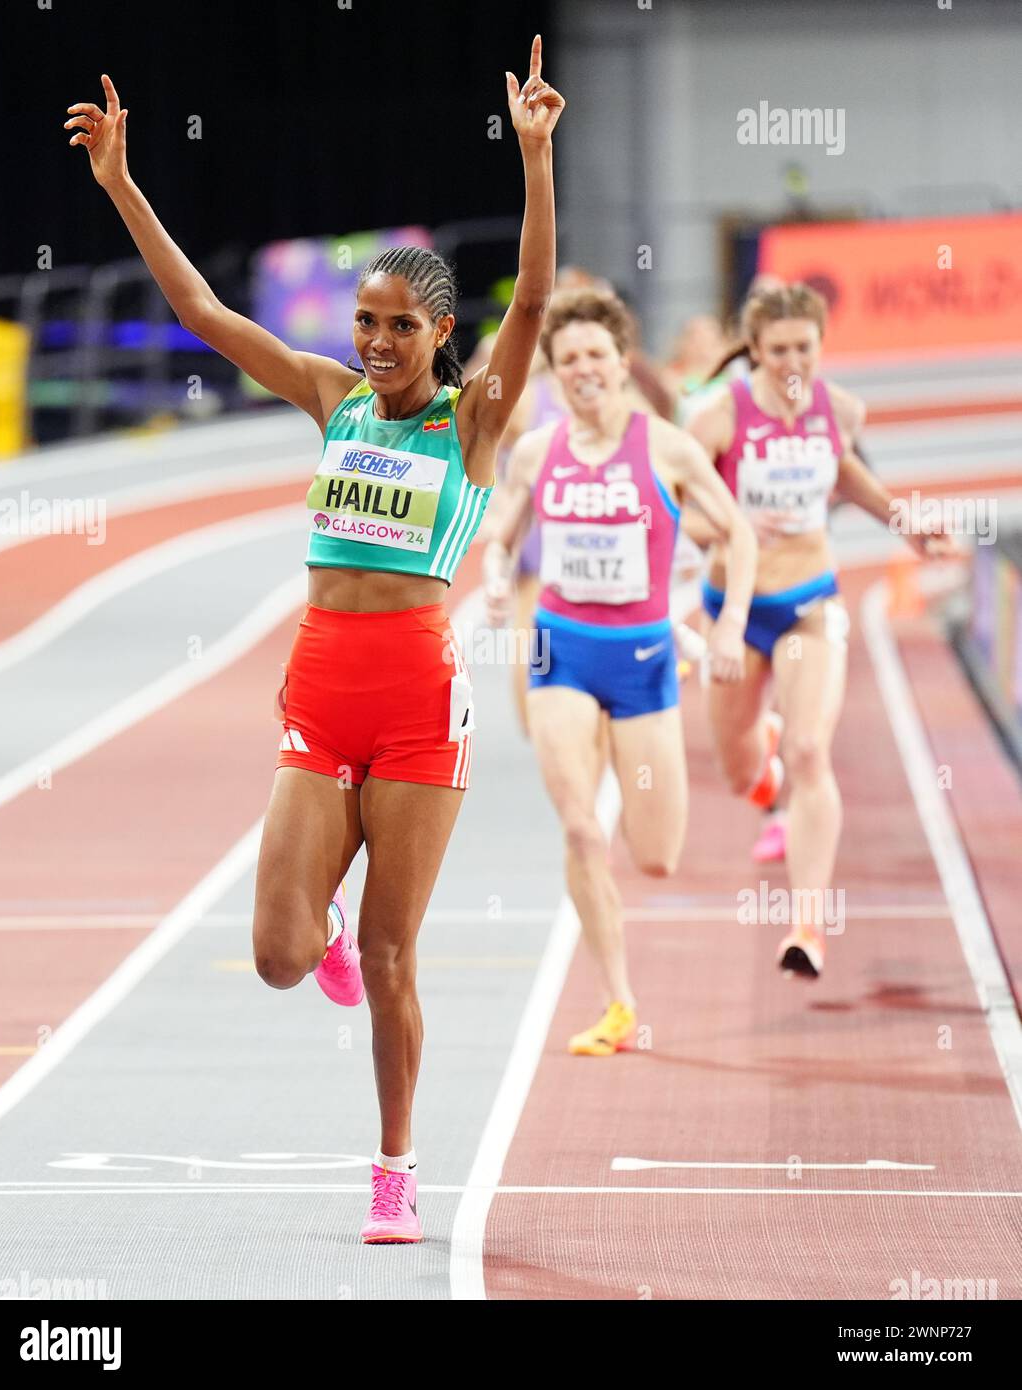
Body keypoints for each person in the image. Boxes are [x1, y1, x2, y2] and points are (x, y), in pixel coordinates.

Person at [67, 40, 564, 1242]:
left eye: (399, 325)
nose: (378, 340)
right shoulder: (326, 396)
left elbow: (537, 304)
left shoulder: (475, 422)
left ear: (441, 332)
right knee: (283, 955)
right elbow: (199, 311)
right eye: (364, 321)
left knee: (393, 956)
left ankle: (394, 1166)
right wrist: (125, 183)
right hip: (319, 691)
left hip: (413, 701)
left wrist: (535, 161)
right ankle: (323, 922)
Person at [483, 288, 756, 1054]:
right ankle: (618, 1004)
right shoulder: (538, 452)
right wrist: (500, 582)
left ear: (620, 361)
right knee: (578, 829)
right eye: (568, 360)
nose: (583, 370)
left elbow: (738, 535)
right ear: (556, 373)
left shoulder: (665, 445)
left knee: (657, 856)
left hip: (643, 662)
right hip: (560, 651)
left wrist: (729, 626)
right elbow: (500, 537)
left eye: (596, 356)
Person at [687, 282, 954, 979]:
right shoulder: (720, 417)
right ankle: (762, 750)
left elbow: (851, 479)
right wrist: (728, 526)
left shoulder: (838, 409)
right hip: (737, 606)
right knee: (742, 768)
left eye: (804, 346)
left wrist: (911, 526)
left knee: (811, 750)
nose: (792, 360)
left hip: (811, 597)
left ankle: (807, 925)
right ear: (755, 350)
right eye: (778, 350)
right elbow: (672, 510)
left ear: (820, 343)